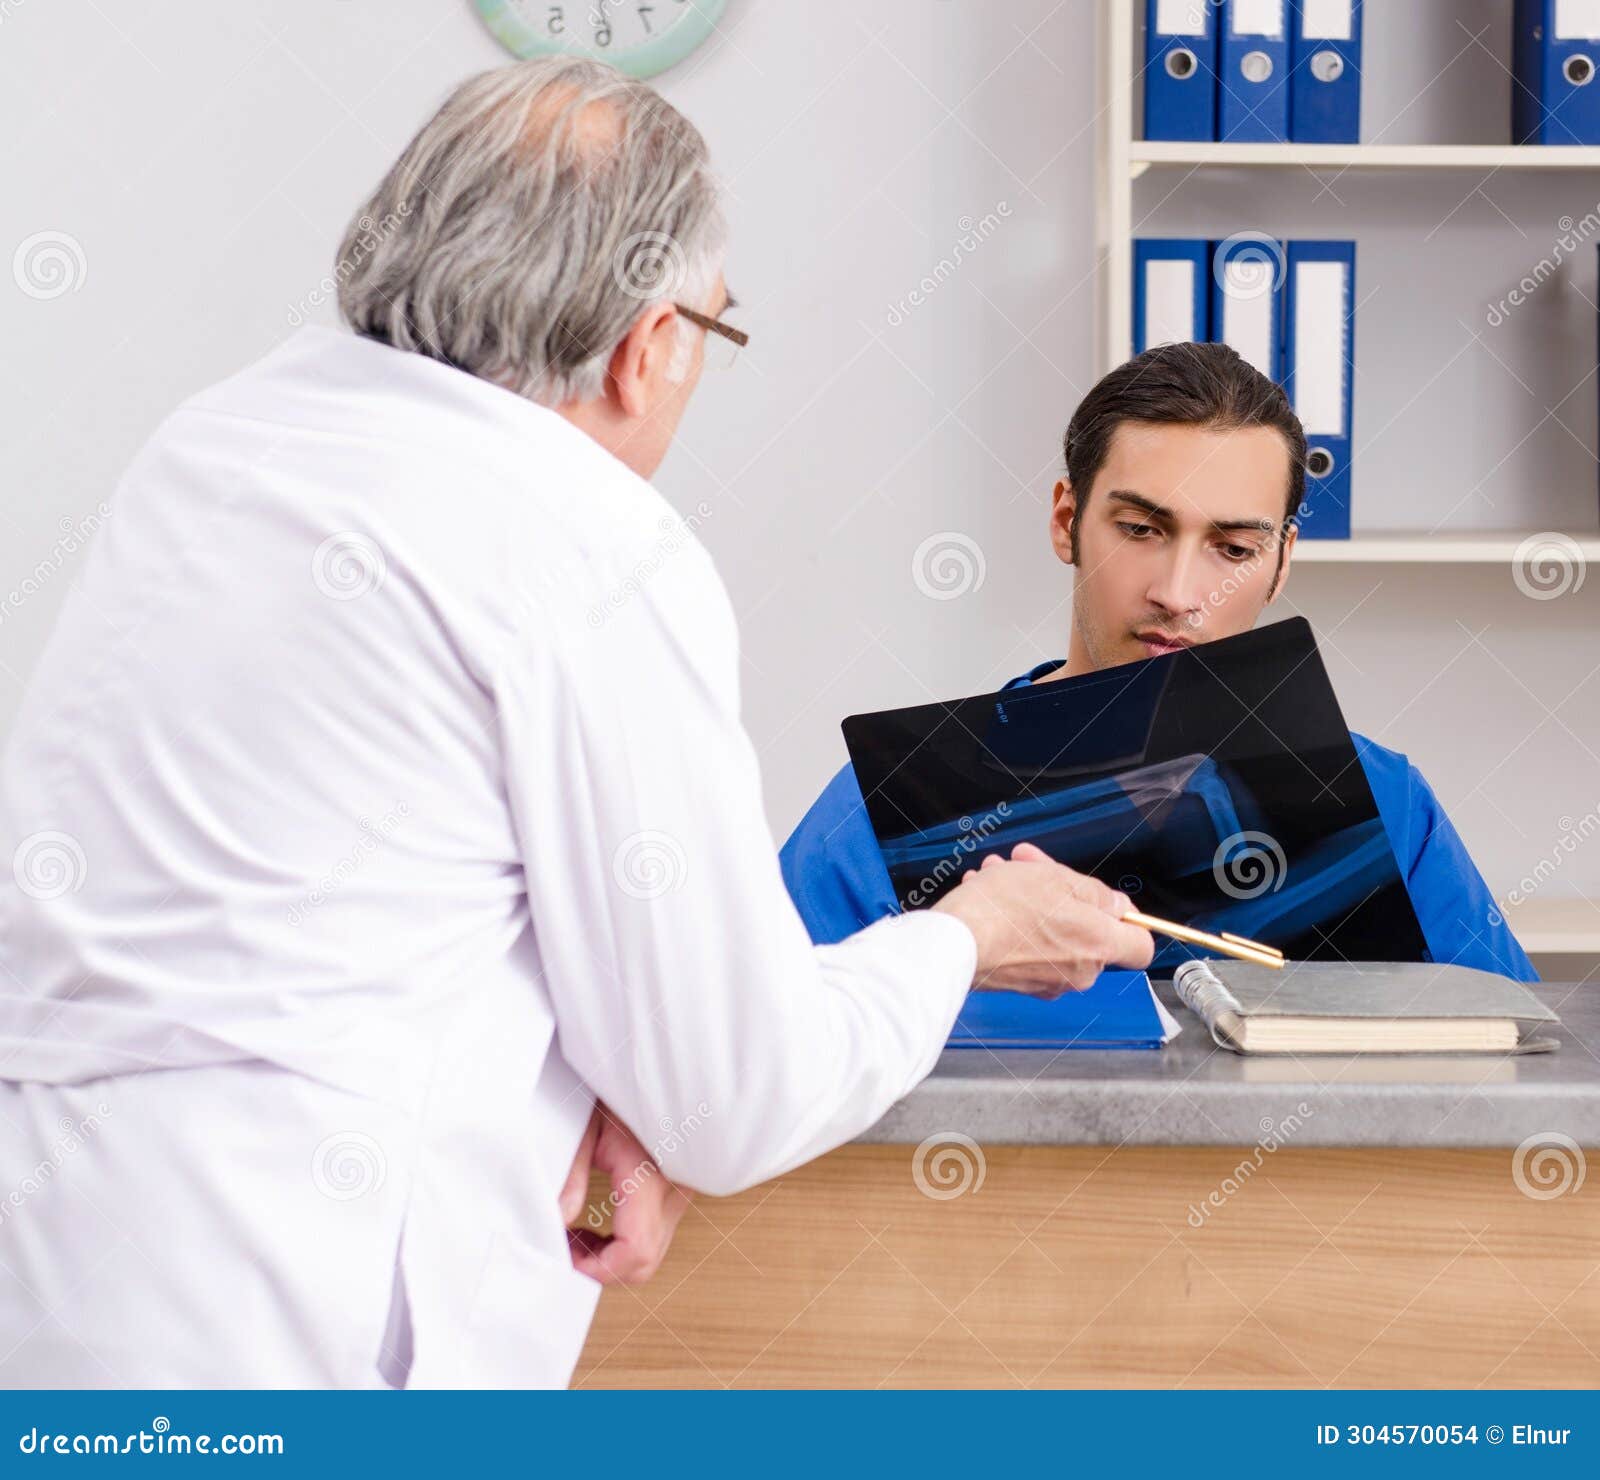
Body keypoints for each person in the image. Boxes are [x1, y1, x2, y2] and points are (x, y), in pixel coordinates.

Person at [0, 58, 1154, 1389]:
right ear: (649, 343)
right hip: (277, 1325)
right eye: (714, 333)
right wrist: (968, 938)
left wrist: (619, 1078)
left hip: (55, 1282)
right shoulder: (582, 540)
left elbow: (362, 896)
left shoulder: (224, 443)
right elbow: (734, 1093)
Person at [781, 341, 1536, 984]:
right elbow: (759, 1077)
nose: (1178, 594)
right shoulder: (886, 806)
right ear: (1066, 521)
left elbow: (1518, 1072)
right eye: (1141, 529)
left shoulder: (1387, 804)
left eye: (1234, 550)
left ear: (1279, 565)